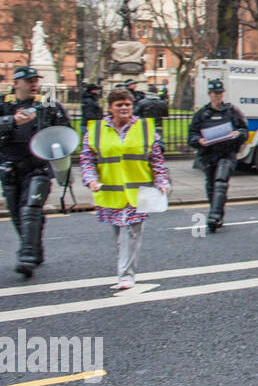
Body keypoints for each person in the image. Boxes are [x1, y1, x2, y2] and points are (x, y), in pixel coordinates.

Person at [79, 87, 170, 290]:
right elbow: (86, 159)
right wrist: (90, 179)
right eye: (119, 104)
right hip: (110, 192)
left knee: (130, 232)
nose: (124, 108)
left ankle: (126, 275)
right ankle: (126, 268)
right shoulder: (96, 130)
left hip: (139, 192)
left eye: (127, 104)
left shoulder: (145, 128)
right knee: (120, 235)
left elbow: (156, 158)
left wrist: (162, 181)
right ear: (110, 107)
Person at [0, 65, 72, 277]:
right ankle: (35, 249)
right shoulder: (4, 105)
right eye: (29, 80)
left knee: (30, 209)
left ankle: (27, 257)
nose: (34, 84)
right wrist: (12, 121)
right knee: (17, 215)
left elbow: (65, 131)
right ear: (16, 83)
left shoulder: (48, 104)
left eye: (35, 80)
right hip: (10, 168)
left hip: (37, 168)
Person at [186, 78, 249, 232]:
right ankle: (218, 213)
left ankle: (214, 217)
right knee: (211, 186)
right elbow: (191, 135)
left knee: (221, 182)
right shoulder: (202, 113)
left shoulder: (232, 111)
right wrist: (198, 140)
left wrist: (237, 133)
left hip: (227, 153)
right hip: (208, 155)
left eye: (220, 93)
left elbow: (244, 131)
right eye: (215, 93)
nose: (217, 96)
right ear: (210, 94)